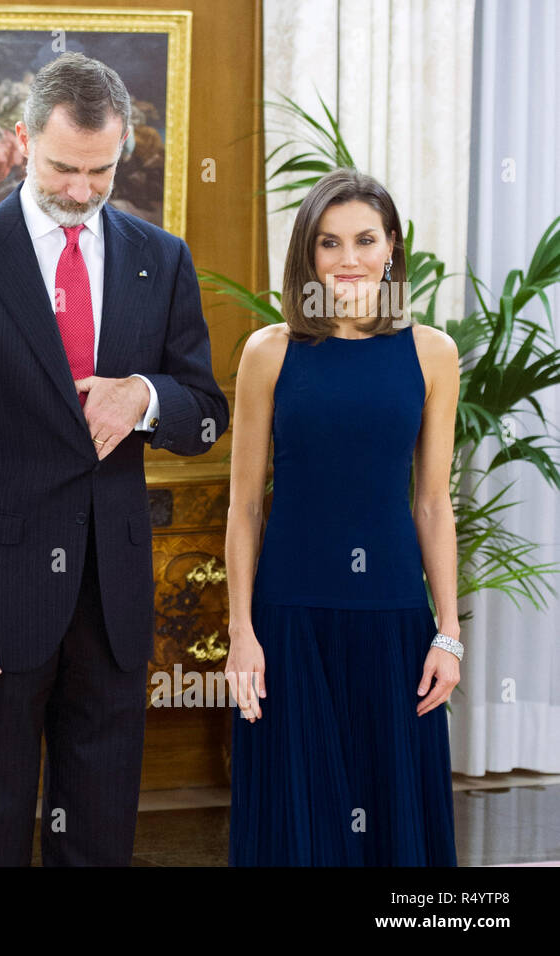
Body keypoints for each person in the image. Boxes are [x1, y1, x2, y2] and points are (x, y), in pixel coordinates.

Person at [0, 53, 229, 866]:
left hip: (112, 604)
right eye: (62, 169)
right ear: (21, 141)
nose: (81, 191)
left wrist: (145, 397)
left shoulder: (163, 256)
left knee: (100, 835)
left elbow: (208, 416)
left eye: (101, 171)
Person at [224, 168, 460, 865]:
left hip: (394, 620)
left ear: (391, 247)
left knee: (393, 827)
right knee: (297, 830)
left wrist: (447, 633)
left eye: (365, 239)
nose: (348, 258)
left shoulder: (432, 354)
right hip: (288, 622)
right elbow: (244, 506)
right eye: (330, 242)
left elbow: (432, 502)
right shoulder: (269, 352)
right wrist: (242, 632)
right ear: (309, 253)